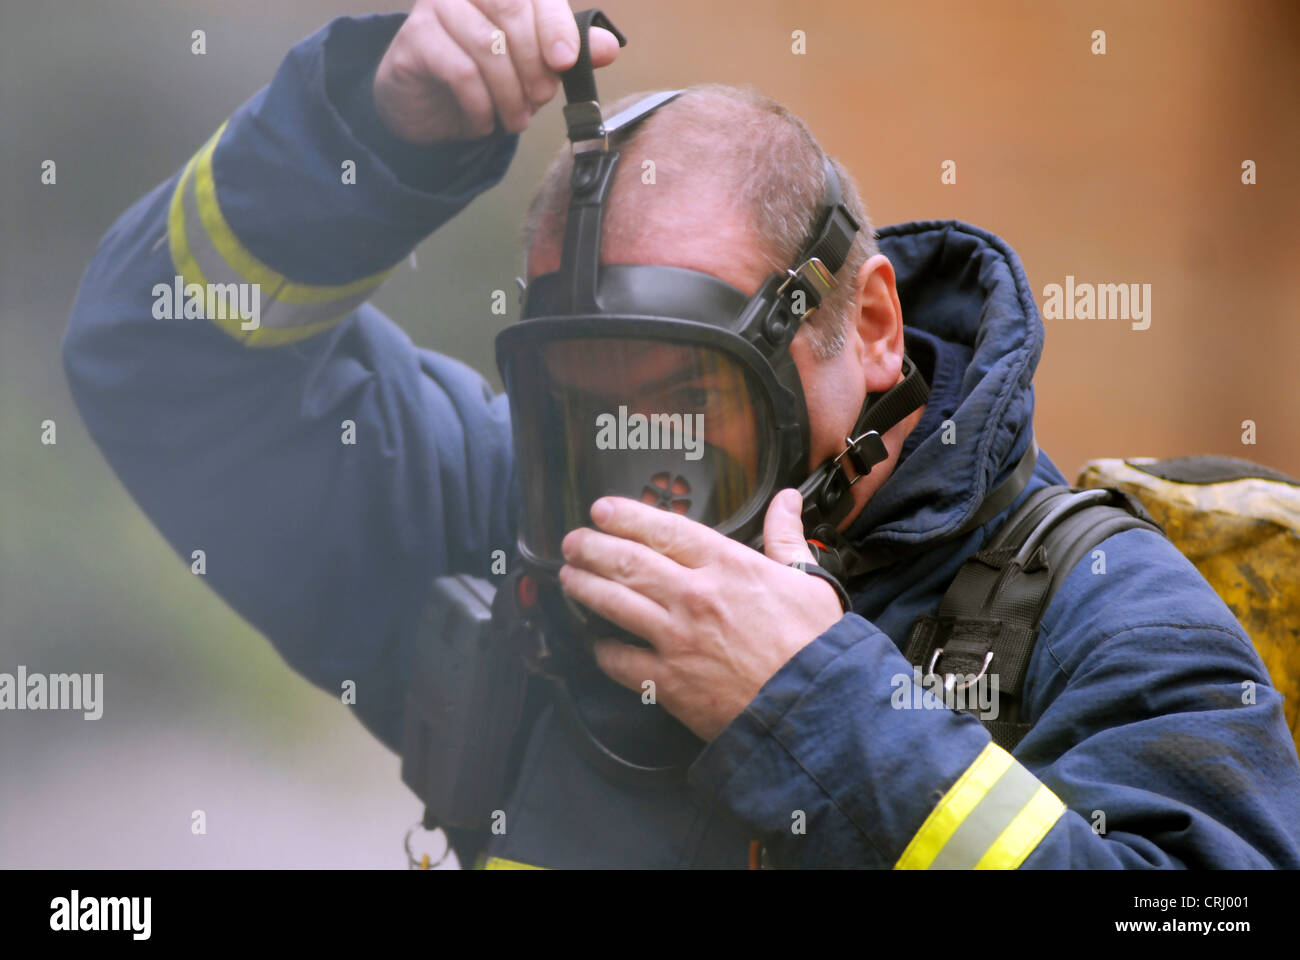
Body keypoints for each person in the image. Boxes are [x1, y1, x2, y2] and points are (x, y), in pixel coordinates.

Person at [63, 1, 1300, 869]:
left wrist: (820, 714)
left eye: (688, 391)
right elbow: (162, 353)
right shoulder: (516, 538)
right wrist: (371, 137)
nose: (635, 480)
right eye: (582, 403)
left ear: (869, 324)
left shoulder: (1113, 624)